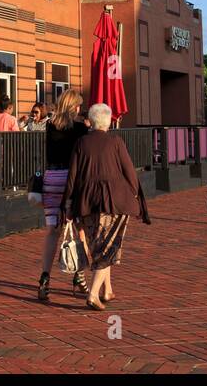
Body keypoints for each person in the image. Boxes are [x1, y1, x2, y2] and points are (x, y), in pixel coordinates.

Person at [61, 102, 150, 311]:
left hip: (87, 202)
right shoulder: (115, 141)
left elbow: (72, 175)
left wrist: (67, 203)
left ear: (90, 121)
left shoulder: (81, 143)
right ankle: (93, 294)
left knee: (99, 246)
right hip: (114, 201)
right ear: (109, 121)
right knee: (107, 248)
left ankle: (107, 289)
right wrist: (135, 195)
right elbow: (129, 172)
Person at [37, 90, 88, 301]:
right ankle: (80, 276)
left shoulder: (50, 126)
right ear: (75, 106)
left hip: (51, 178)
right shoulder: (79, 129)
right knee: (80, 229)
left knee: (52, 231)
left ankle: (44, 279)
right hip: (71, 180)